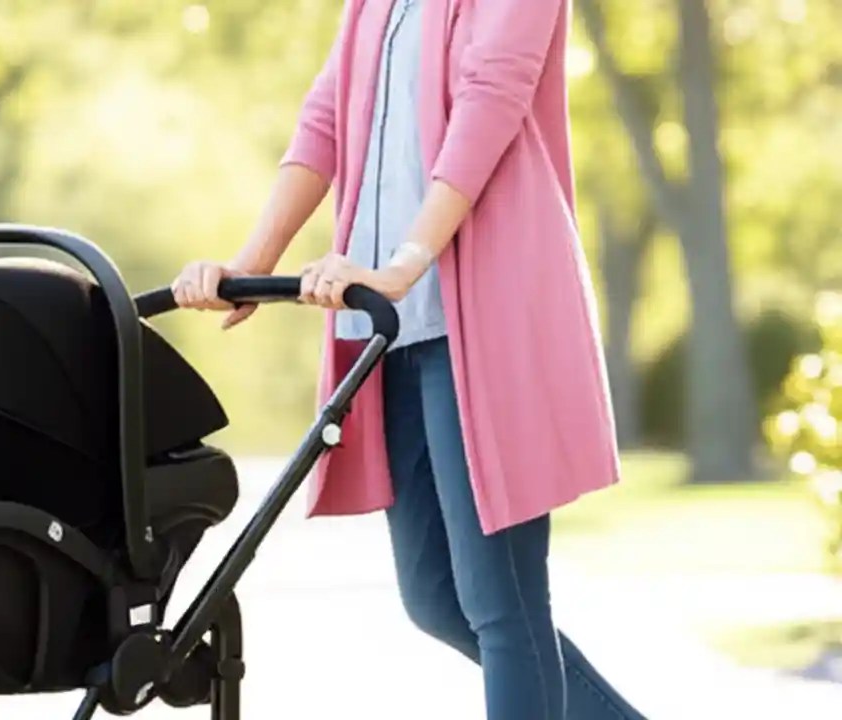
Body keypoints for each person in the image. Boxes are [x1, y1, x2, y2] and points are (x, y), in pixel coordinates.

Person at [171, 0, 648, 718]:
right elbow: (327, 115)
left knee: (501, 601)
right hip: (392, 327)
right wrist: (251, 263)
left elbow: (493, 96)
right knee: (435, 597)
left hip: (480, 322)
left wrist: (404, 263)